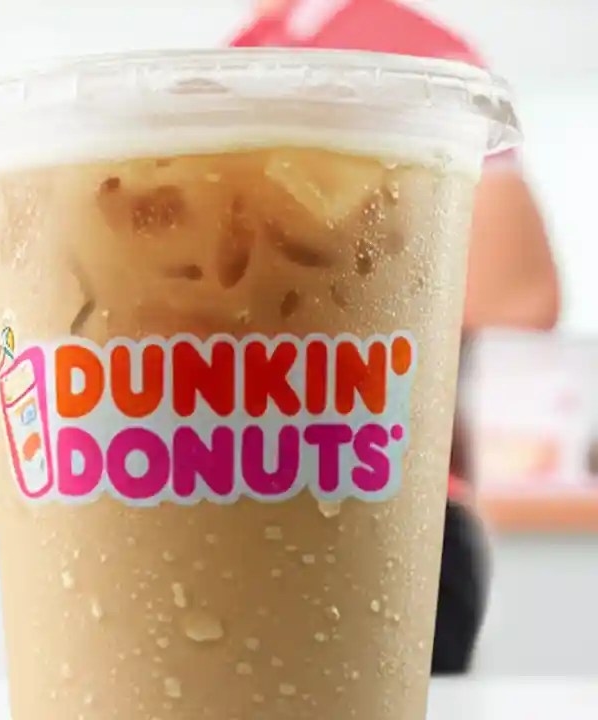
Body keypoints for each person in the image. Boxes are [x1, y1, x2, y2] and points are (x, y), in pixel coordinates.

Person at [232, 0, 562, 674]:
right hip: (228, 510)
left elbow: (521, 290)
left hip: (383, 522)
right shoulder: (243, 50)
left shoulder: (401, 46)